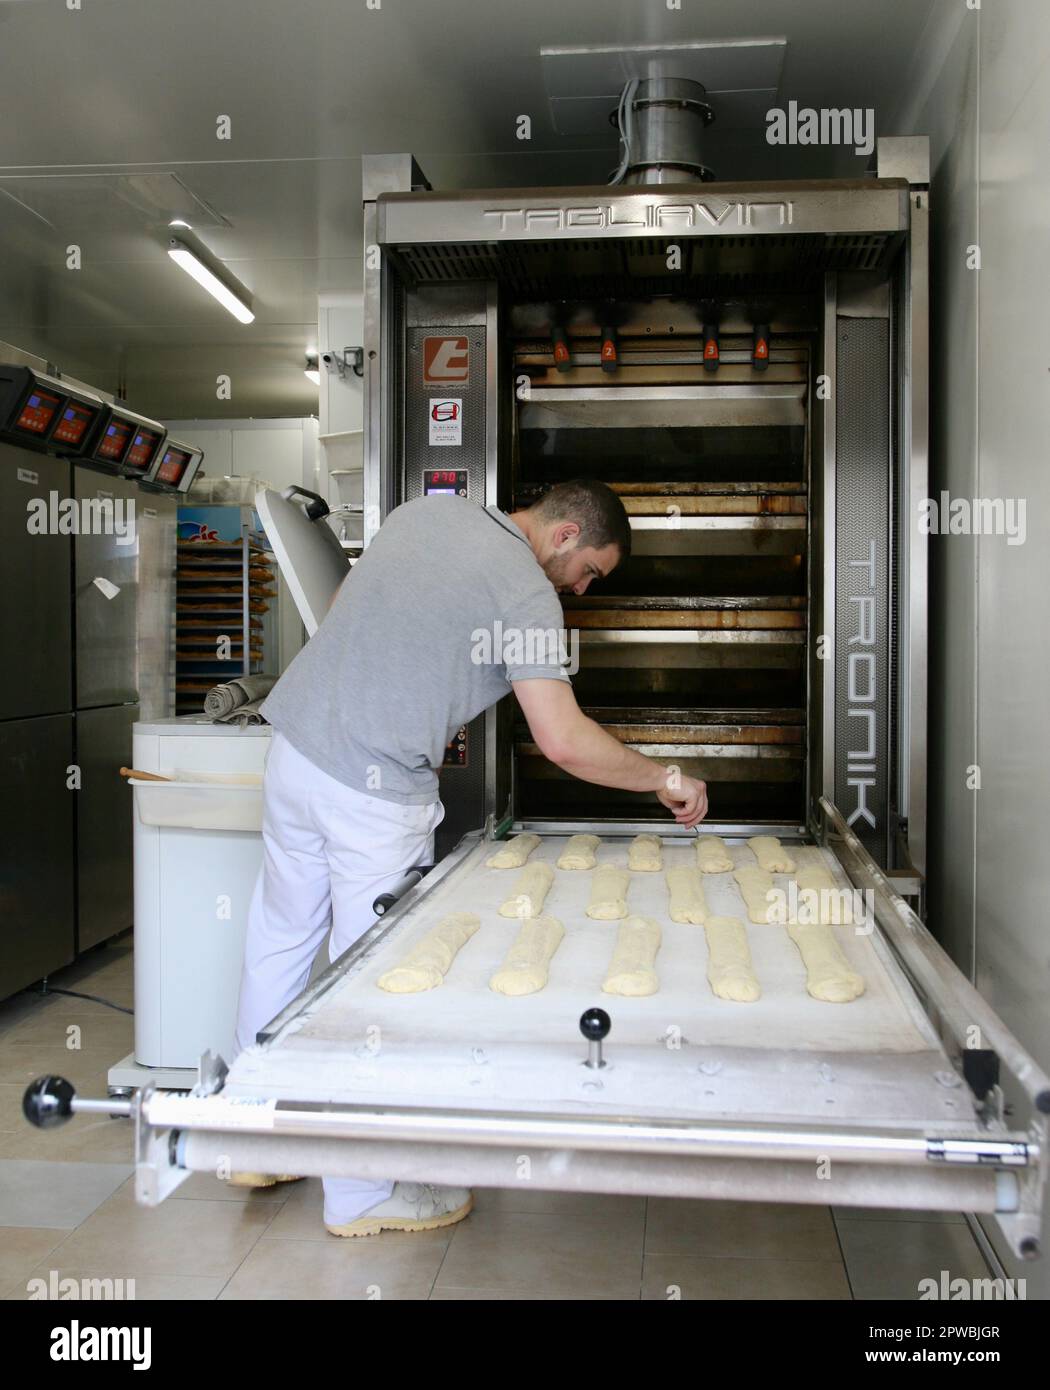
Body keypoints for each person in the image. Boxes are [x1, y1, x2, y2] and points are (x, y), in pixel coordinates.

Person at [233, 478, 708, 1236]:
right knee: (373, 988)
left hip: (295, 750)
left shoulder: (427, 512)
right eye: (590, 571)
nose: (583, 589)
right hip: (373, 790)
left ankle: (253, 1134)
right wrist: (666, 777)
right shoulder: (527, 594)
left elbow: (345, 612)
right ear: (562, 537)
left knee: (282, 934)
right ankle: (360, 1195)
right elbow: (562, 740)